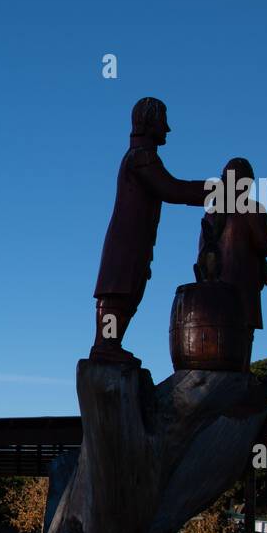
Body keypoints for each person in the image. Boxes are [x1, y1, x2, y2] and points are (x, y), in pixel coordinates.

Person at [91, 97, 213, 364]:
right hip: (127, 241)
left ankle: (110, 344)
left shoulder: (143, 156)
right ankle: (105, 345)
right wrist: (216, 189)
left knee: (130, 292)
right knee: (118, 292)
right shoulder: (141, 157)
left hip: (136, 241)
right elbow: (171, 189)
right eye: (162, 121)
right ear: (148, 122)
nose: (167, 129)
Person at [196, 157, 267, 369]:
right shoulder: (253, 209)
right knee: (244, 335)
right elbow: (265, 245)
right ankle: (240, 374)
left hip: (215, 291)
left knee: (220, 334)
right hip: (244, 284)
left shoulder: (211, 213)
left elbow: (201, 255)